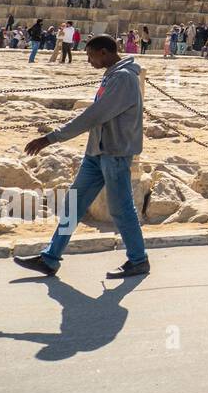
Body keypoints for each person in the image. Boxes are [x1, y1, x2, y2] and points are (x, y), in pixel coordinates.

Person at [13, 35, 150, 279]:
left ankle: (138, 260)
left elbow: (93, 115)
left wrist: (50, 138)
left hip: (114, 154)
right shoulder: (113, 74)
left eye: (90, 55)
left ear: (105, 52)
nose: (88, 61)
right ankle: (50, 258)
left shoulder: (123, 78)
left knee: (121, 209)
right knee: (74, 204)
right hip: (96, 152)